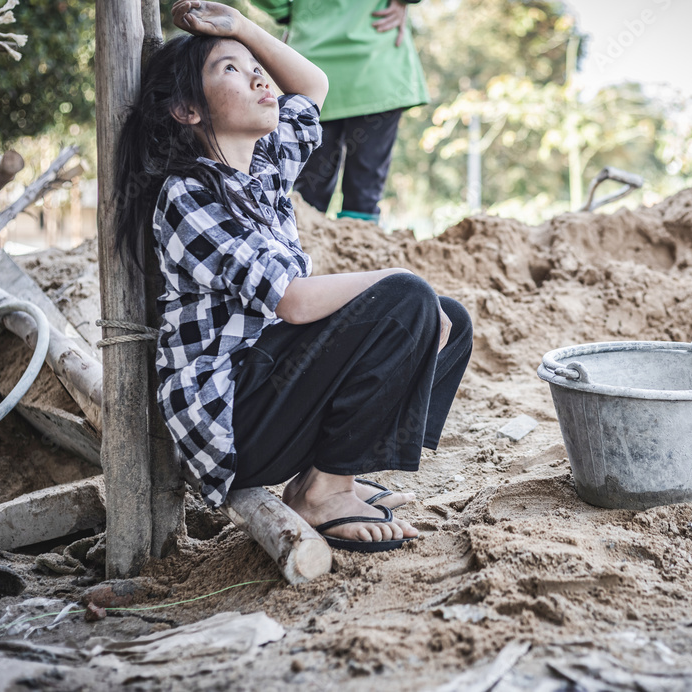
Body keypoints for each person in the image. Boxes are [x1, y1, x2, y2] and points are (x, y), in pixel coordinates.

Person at [112, 0, 471, 553]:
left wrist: (241, 29)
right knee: (408, 299)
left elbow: (315, 86)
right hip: (235, 426)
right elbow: (296, 303)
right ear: (187, 109)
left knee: (450, 318)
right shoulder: (188, 195)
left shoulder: (262, 167)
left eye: (253, 63)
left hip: (273, 391)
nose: (257, 72)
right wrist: (399, 282)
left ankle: (325, 474)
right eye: (230, 68)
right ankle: (325, 494)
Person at [248, 0, 429, 223]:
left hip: (310, 69)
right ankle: (361, 250)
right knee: (364, 193)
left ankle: (308, 250)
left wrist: (297, 13)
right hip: (378, 65)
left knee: (309, 197)